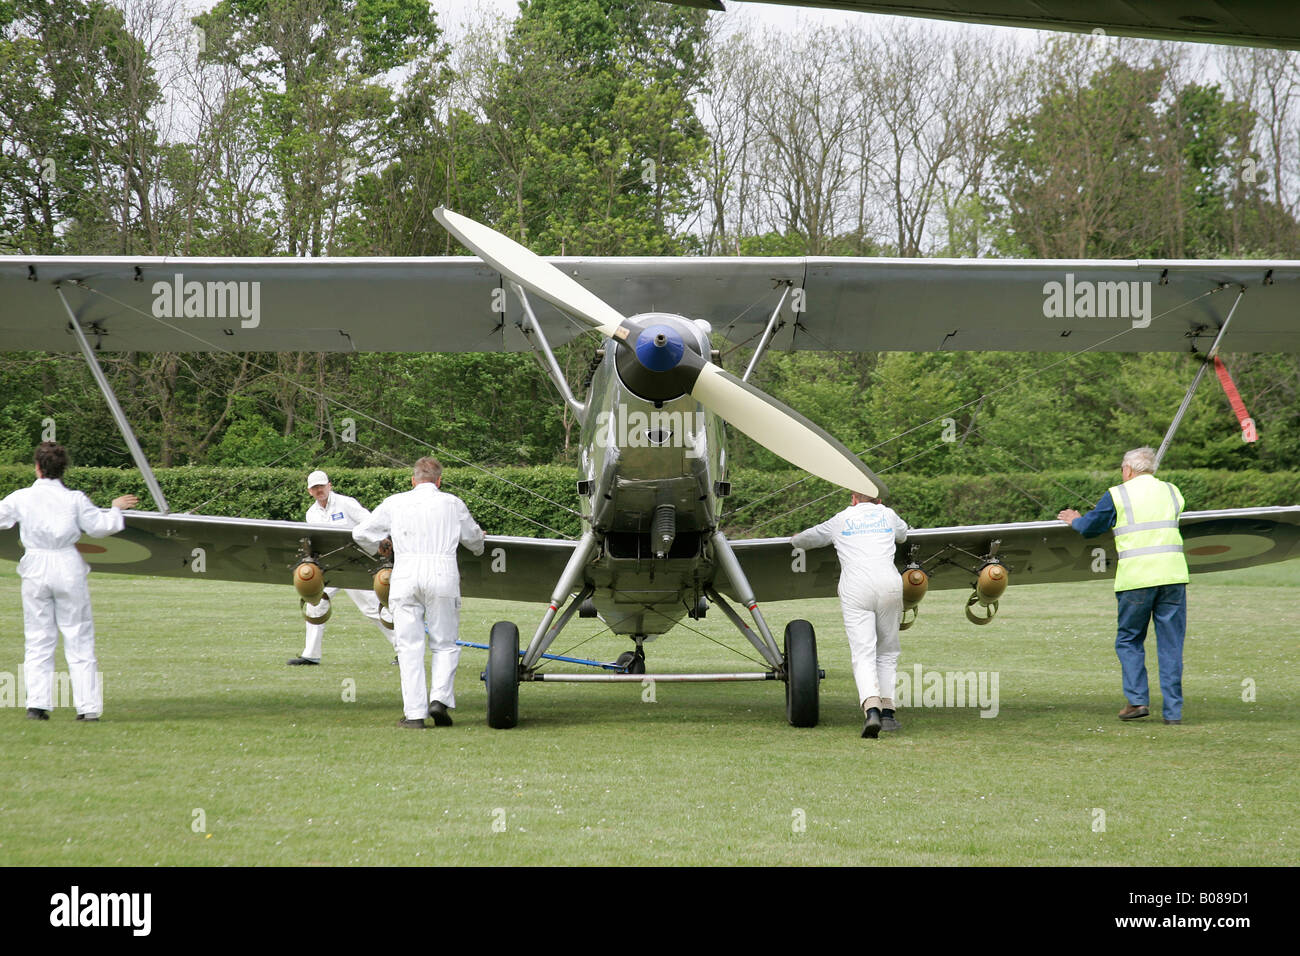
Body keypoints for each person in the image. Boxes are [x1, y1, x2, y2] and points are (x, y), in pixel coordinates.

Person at [0, 442, 138, 721]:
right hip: (66, 566)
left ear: (37, 468)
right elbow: (100, 527)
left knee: (38, 637)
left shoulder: (21, 497)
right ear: (63, 469)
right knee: (79, 636)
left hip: (36, 567)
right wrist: (114, 508)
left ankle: (37, 705)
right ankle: (88, 709)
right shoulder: (74, 498)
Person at [1058, 446, 1188, 725]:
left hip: (1137, 579)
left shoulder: (1118, 493)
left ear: (1127, 470)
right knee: (1171, 645)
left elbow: (1090, 528)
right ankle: (1173, 713)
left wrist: (1074, 519)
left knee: (1129, 640)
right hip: (1174, 576)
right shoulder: (1173, 491)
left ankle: (1138, 701)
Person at [352, 457, 484, 729]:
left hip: (405, 573)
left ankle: (414, 714)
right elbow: (474, 541)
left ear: (413, 480)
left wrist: (380, 545)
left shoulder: (395, 501)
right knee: (445, 642)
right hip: (442, 573)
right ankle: (439, 699)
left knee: (409, 646)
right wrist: (480, 541)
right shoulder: (452, 503)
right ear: (439, 480)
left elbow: (361, 532)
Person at [792, 490, 909, 739]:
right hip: (889, 584)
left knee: (863, 652)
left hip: (856, 588)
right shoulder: (887, 514)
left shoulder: (841, 519)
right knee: (887, 650)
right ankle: (888, 713)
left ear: (854, 499)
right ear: (878, 500)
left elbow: (804, 540)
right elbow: (903, 534)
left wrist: (795, 539)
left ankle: (872, 710)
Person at [290, 470, 397, 665]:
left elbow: (371, 523)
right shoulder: (311, 513)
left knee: (372, 608)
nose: (319, 490)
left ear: (329, 485)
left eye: (322, 486)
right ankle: (311, 655)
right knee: (315, 603)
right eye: (315, 488)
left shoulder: (346, 503)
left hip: (354, 564)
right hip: (329, 567)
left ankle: (402, 650)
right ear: (309, 491)